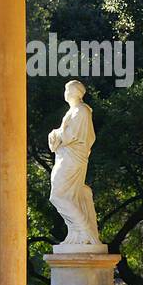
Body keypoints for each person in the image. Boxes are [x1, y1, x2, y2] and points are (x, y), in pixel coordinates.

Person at [48, 80, 102, 248]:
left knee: (58, 195)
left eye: (66, 90)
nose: (65, 92)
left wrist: (55, 134)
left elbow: (71, 135)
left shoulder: (82, 111)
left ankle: (85, 230)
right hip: (67, 157)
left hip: (73, 158)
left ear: (73, 92)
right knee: (72, 195)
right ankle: (78, 234)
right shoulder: (75, 111)